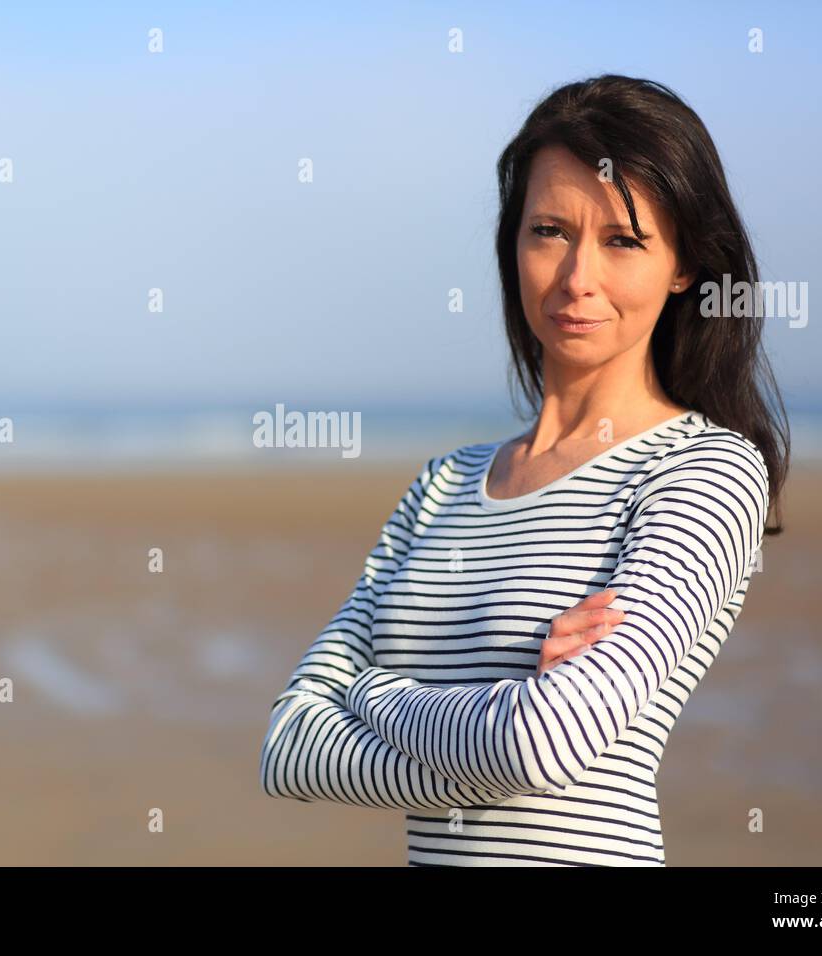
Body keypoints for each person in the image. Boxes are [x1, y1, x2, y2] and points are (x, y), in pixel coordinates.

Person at [258, 74, 790, 865]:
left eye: (622, 240)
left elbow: (543, 743)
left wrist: (371, 694)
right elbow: (289, 746)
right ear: (513, 245)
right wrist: (500, 714)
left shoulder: (703, 471)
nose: (577, 277)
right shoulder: (440, 487)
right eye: (549, 231)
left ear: (684, 266)